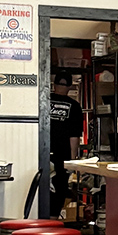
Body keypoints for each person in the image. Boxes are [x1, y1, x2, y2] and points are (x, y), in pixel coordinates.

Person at [49, 69, 82, 217]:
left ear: (54, 85)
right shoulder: (74, 106)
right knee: (60, 188)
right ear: (69, 87)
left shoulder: (44, 100)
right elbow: (74, 137)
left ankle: (40, 217)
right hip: (62, 155)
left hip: (40, 152)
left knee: (41, 184)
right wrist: (73, 160)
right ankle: (53, 220)